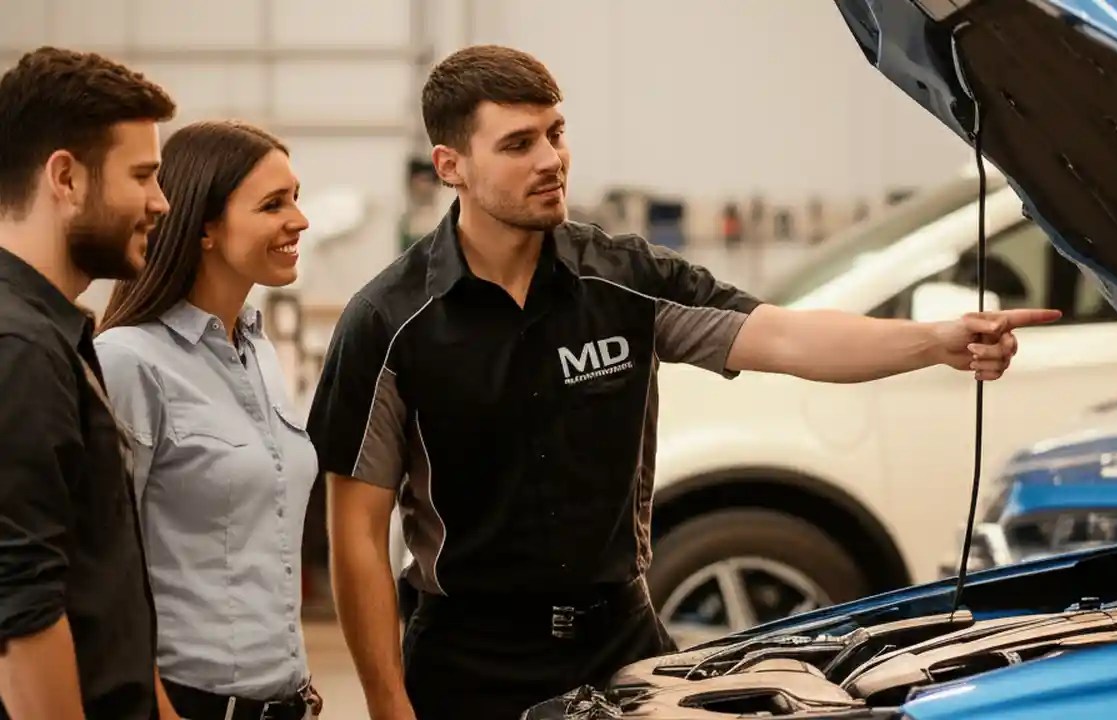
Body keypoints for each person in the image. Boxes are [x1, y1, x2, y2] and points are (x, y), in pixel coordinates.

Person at [305, 44, 1062, 720]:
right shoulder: (389, 323)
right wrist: (387, 702)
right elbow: (359, 537)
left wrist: (934, 341)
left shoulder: (626, 279)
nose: (551, 160)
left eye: (556, 134)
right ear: (451, 167)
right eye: (518, 144)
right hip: (468, 661)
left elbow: (786, 334)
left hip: (621, 642)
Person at [93, 120, 323, 720]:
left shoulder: (259, 352)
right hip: (185, 703)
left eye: (295, 198)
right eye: (274, 204)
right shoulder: (130, 363)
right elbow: (99, 571)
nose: (298, 220)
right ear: (206, 229)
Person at [0, 47, 178, 720]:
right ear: (66, 178)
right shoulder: (19, 348)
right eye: (143, 176)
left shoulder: (50, 334)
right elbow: (21, 618)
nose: (160, 202)